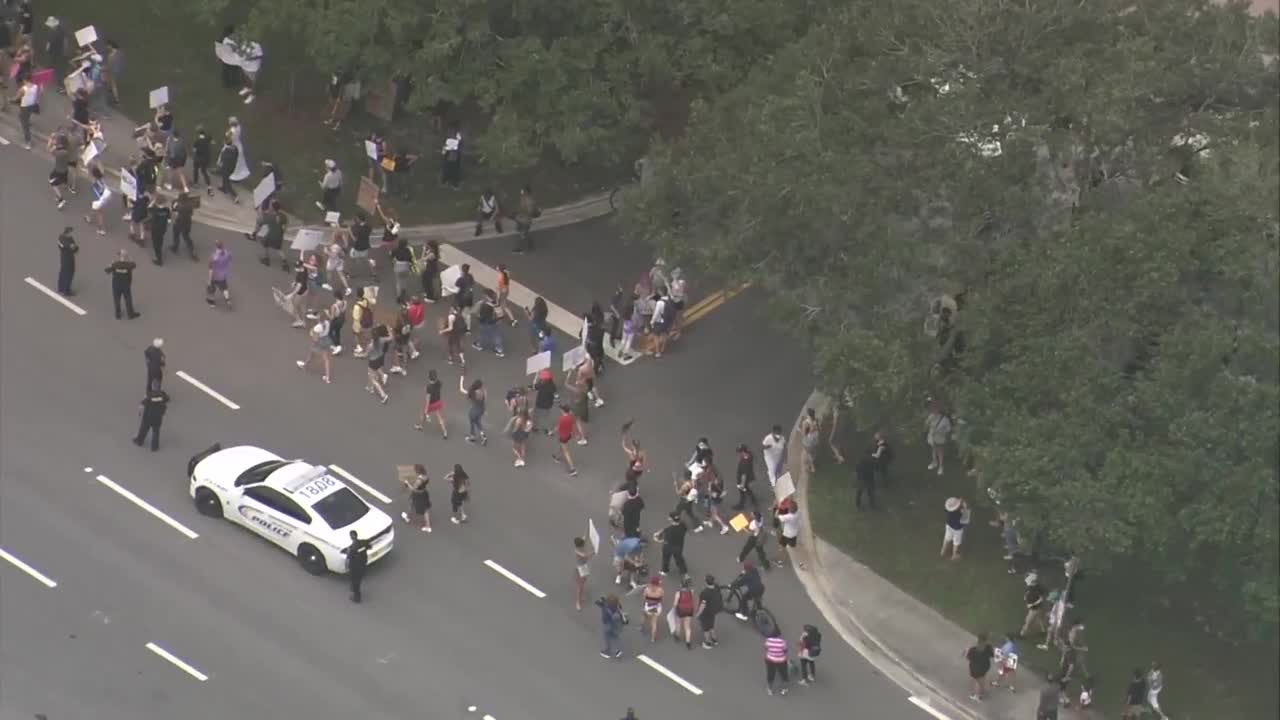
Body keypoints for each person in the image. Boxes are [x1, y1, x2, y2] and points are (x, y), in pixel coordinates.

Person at [132, 380, 170, 451]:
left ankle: (139, 441)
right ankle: (154, 447)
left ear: (153, 387)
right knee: (156, 432)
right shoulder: (163, 395)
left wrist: (140, 413)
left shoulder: (149, 396)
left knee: (144, 429)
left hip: (148, 417)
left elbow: (142, 404)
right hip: (158, 417)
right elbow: (167, 399)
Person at [104, 249, 140, 319]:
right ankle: (130, 314)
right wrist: (128, 257)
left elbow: (107, 271)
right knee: (128, 299)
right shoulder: (129, 265)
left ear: (119, 257)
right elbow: (134, 264)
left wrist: (110, 264)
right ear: (125, 257)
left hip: (116, 285)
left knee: (116, 299)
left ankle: (118, 314)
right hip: (126, 285)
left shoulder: (115, 265)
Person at [415, 369, 448, 438]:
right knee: (440, 417)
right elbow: (439, 386)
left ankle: (420, 426)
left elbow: (428, 399)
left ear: (429, 377)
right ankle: (445, 432)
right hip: (438, 402)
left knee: (422, 413)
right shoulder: (439, 383)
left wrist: (426, 409)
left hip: (431, 404)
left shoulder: (429, 387)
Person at [400, 464, 432, 532]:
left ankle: (428, 526)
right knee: (412, 504)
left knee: (424, 510)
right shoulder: (426, 476)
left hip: (418, 495)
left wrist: (407, 483)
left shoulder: (419, 480)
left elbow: (413, 489)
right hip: (424, 493)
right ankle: (407, 516)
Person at [341, 530, 371, 602]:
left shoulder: (351, 549)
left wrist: (347, 566)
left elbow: (348, 558)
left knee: (355, 582)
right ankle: (353, 588)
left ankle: (357, 597)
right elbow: (369, 546)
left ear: (351, 537)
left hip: (354, 568)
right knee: (358, 579)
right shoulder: (363, 542)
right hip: (362, 565)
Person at [964, 632, 995, 701]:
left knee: (978, 682)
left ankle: (978, 695)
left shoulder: (973, 650)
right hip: (985, 666)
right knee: (982, 679)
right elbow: (992, 655)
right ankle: (982, 692)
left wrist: (967, 651)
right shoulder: (988, 647)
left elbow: (968, 658)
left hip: (975, 668)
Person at [926, 400, 953, 476]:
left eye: (935, 409)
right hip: (932, 436)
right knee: (933, 449)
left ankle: (941, 466)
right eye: (933, 409)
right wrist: (929, 422)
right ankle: (934, 462)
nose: (933, 410)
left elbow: (948, 429)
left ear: (939, 409)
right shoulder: (931, 416)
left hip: (940, 437)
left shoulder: (945, 419)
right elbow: (927, 424)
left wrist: (941, 431)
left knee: (940, 451)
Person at [552, 404, 580, 476]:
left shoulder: (562, 418)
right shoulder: (571, 417)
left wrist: (552, 432)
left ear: (563, 410)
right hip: (568, 435)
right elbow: (573, 425)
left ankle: (572, 469)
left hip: (563, 436)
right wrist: (575, 434)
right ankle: (557, 457)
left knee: (566, 452)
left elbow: (558, 427)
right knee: (562, 446)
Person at [671, 577, 696, 649]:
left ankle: (677, 636)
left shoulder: (678, 593)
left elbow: (675, 604)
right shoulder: (691, 591)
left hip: (681, 610)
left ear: (680, 585)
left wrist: (674, 609)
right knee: (687, 626)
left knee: (678, 623)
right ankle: (688, 642)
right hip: (689, 610)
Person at [206, 240, 232, 308]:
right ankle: (228, 300)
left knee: (212, 289)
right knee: (225, 288)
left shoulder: (213, 257)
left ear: (216, 246)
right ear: (222, 246)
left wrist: (209, 280)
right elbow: (230, 258)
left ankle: (212, 303)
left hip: (215, 276)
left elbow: (211, 270)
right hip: (223, 275)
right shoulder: (227, 253)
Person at [461, 377, 487, 444]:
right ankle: (483, 435)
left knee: (472, 423)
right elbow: (484, 401)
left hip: (474, 410)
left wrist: (461, 380)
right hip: (481, 409)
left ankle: (472, 436)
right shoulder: (483, 391)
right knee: (477, 421)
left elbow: (462, 390)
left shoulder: (472, 392)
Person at [764, 627, 790, 695]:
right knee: (784, 675)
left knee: (770, 674)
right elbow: (785, 651)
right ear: (779, 635)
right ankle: (784, 689)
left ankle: (769, 689)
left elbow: (766, 648)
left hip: (770, 660)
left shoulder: (768, 640)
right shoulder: (782, 642)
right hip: (781, 660)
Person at [513, 184, 538, 253]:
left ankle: (524, 247)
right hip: (520, 219)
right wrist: (516, 213)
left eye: (523, 191)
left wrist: (521, 212)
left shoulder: (530, 200)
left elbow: (530, 211)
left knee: (523, 234)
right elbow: (520, 207)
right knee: (522, 233)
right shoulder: (522, 198)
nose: (521, 192)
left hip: (525, 220)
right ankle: (529, 246)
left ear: (526, 192)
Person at [148, 193, 172, 266]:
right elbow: (169, 220)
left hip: (155, 229)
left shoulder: (154, 209)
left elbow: (148, 208)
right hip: (163, 229)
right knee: (160, 240)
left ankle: (159, 259)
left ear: (156, 201)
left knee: (155, 244)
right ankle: (159, 249)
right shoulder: (166, 210)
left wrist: (153, 201)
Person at [598, 594, 625, 659]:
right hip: (617, 625)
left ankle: (608, 651)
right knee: (615, 637)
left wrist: (603, 607)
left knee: (607, 637)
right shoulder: (618, 606)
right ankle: (618, 650)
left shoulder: (606, 609)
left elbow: (604, 619)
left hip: (608, 625)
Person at [216, 133, 239, 202]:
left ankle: (235, 196)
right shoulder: (235, 149)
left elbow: (221, 159)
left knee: (227, 180)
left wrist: (219, 164)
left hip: (226, 167)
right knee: (224, 177)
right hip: (232, 167)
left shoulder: (225, 150)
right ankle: (223, 188)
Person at [640, 576, 665, 643]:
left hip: (648, 607)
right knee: (654, 623)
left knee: (644, 616)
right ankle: (653, 638)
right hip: (657, 608)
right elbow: (661, 599)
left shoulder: (647, 590)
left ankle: (641, 627)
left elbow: (644, 598)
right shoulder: (660, 590)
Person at [55, 227, 78, 296]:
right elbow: (74, 248)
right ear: (69, 232)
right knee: (69, 273)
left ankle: (60, 287)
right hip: (69, 258)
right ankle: (66, 290)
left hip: (63, 257)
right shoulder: (68, 240)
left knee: (62, 272)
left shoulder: (60, 237)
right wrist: (75, 247)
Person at [572, 536, 592, 611]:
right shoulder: (577, 551)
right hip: (580, 568)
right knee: (579, 586)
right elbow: (585, 556)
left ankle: (581, 596)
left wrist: (589, 526)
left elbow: (585, 536)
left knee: (583, 582)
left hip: (584, 567)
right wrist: (593, 552)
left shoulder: (580, 545)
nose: (584, 546)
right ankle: (577, 602)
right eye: (583, 545)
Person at [191, 125, 213, 191]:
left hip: (198, 158)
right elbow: (212, 142)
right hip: (206, 158)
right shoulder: (208, 137)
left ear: (198, 133)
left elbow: (194, 150)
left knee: (195, 170)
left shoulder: (197, 141)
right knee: (204, 171)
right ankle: (209, 185)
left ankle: (195, 183)